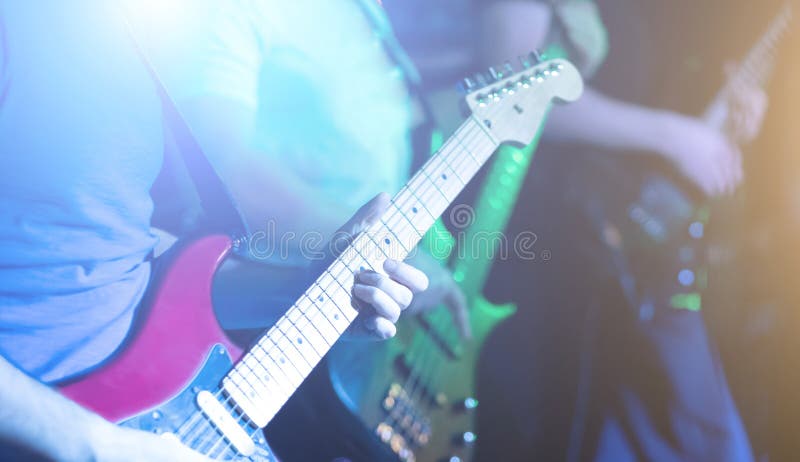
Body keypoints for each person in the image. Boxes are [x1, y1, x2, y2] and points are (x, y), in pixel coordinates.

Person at [0, 1, 430, 459]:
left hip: (149, 415)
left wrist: (313, 290)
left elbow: (112, 260)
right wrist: (95, 443)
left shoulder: (132, 26)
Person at [383, 0, 768, 460]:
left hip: (581, 246)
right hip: (495, 219)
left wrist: (721, 127)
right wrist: (673, 135)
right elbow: (513, 91)